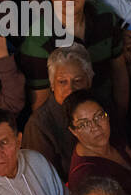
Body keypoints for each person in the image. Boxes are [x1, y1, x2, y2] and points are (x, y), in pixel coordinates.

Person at [23, 45, 93, 181]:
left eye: (77, 81)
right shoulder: (39, 126)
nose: (70, 89)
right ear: (52, 85)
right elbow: (44, 182)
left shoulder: (101, 109)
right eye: (62, 82)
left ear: (89, 82)